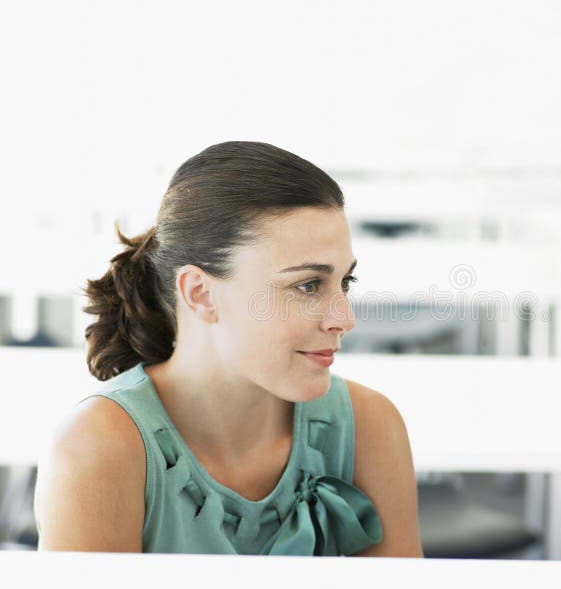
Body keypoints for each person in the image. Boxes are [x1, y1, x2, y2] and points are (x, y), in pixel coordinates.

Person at [33, 141, 423, 557]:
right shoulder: (97, 447)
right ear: (200, 293)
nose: (344, 318)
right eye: (307, 285)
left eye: (344, 283)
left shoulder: (370, 426)